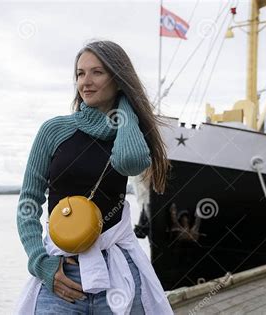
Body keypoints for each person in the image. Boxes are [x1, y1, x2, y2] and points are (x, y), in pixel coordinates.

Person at [15, 40, 173, 314]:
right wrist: (41, 263)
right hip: (62, 271)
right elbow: (28, 202)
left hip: (117, 270)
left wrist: (124, 109)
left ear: (119, 79)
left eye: (97, 72)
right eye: (80, 73)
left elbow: (130, 161)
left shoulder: (128, 133)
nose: (85, 82)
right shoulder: (54, 131)